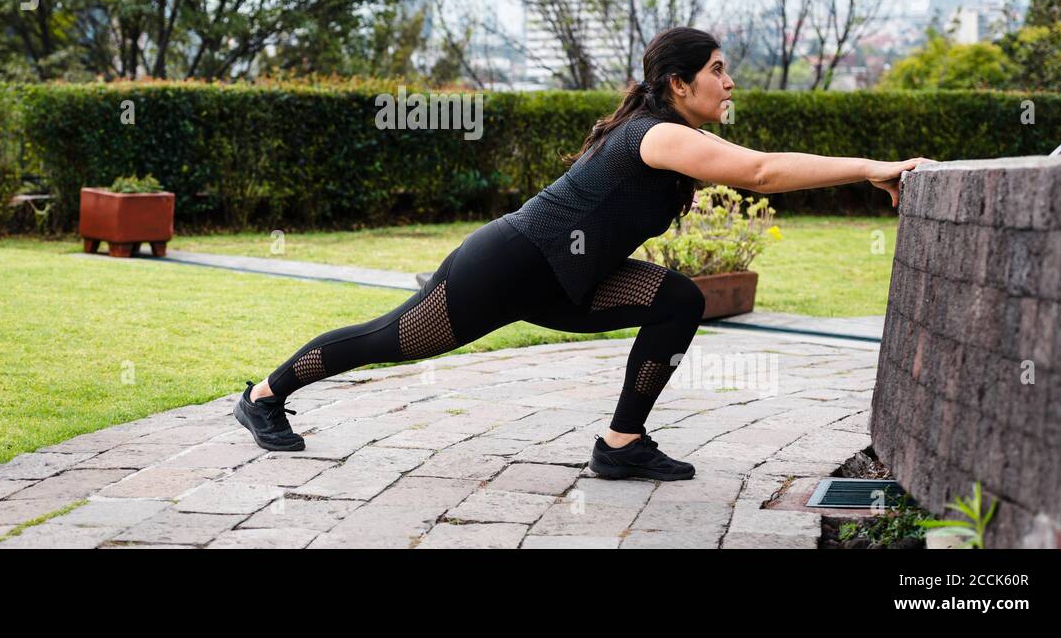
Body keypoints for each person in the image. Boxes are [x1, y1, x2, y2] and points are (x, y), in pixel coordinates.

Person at [234, 26, 935, 480]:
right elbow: (759, 171)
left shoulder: (670, 133)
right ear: (679, 83)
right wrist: (871, 166)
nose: (729, 82)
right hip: (508, 265)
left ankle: (621, 443)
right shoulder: (658, 134)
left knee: (678, 300)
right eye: (718, 70)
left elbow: (754, 166)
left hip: (572, 279)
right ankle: (264, 396)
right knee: (389, 339)